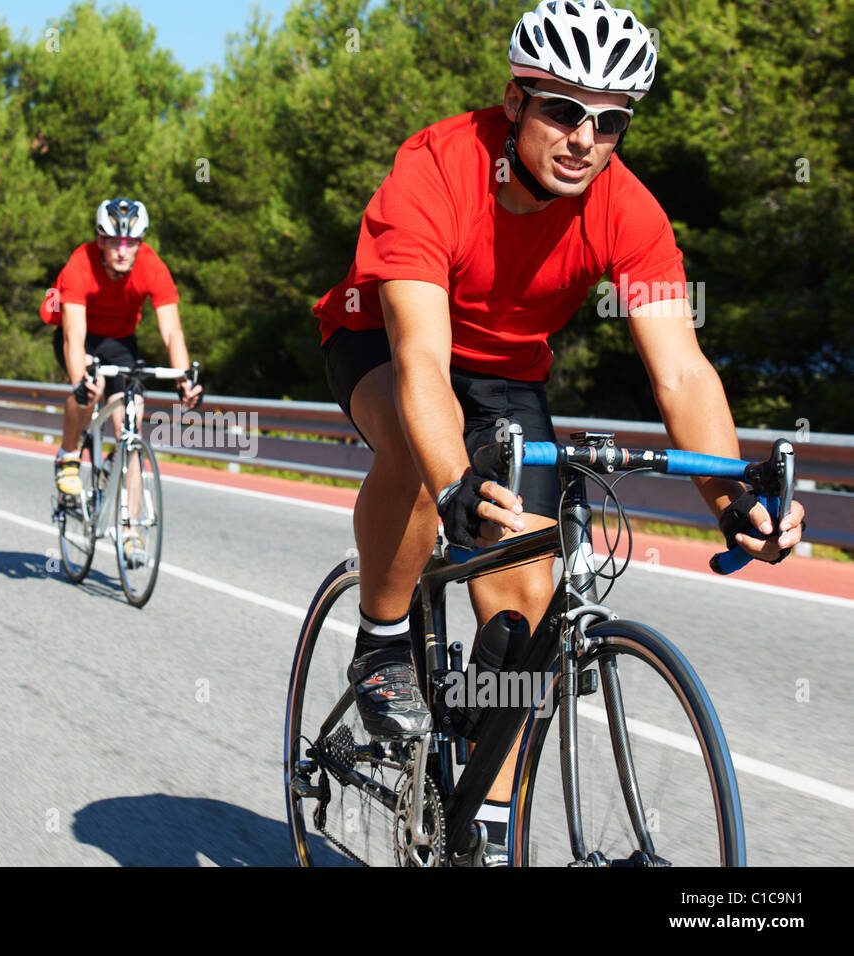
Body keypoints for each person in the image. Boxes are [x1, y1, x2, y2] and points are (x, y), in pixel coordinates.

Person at [313, 0, 806, 862]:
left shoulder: (629, 210)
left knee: (527, 595)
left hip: (507, 373)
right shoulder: (434, 168)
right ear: (516, 102)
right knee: (421, 452)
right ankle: (383, 636)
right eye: (564, 110)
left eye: (611, 121)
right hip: (388, 336)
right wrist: (453, 482)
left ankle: (489, 832)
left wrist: (733, 495)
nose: (585, 137)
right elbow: (423, 362)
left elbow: (681, 371)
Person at [42, 197, 202, 564]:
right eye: (115, 241)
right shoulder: (79, 265)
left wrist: (184, 380)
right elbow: (73, 336)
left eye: (131, 242)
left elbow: (172, 331)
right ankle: (68, 457)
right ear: (100, 240)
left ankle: (129, 531)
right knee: (89, 391)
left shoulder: (152, 267)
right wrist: (81, 377)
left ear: (141, 243)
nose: (122, 250)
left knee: (131, 428)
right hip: (81, 336)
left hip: (121, 344)